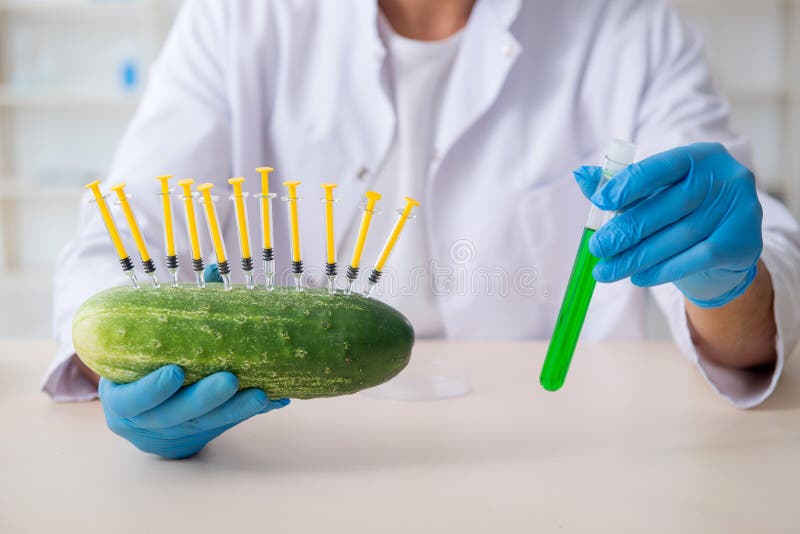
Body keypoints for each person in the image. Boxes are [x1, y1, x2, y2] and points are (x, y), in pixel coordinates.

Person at [44, 0, 800, 459]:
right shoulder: (241, 16)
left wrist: (725, 277)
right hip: (296, 451)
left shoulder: (628, 27)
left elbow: (750, 326)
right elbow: (119, 236)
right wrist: (125, 355)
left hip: (556, 445)